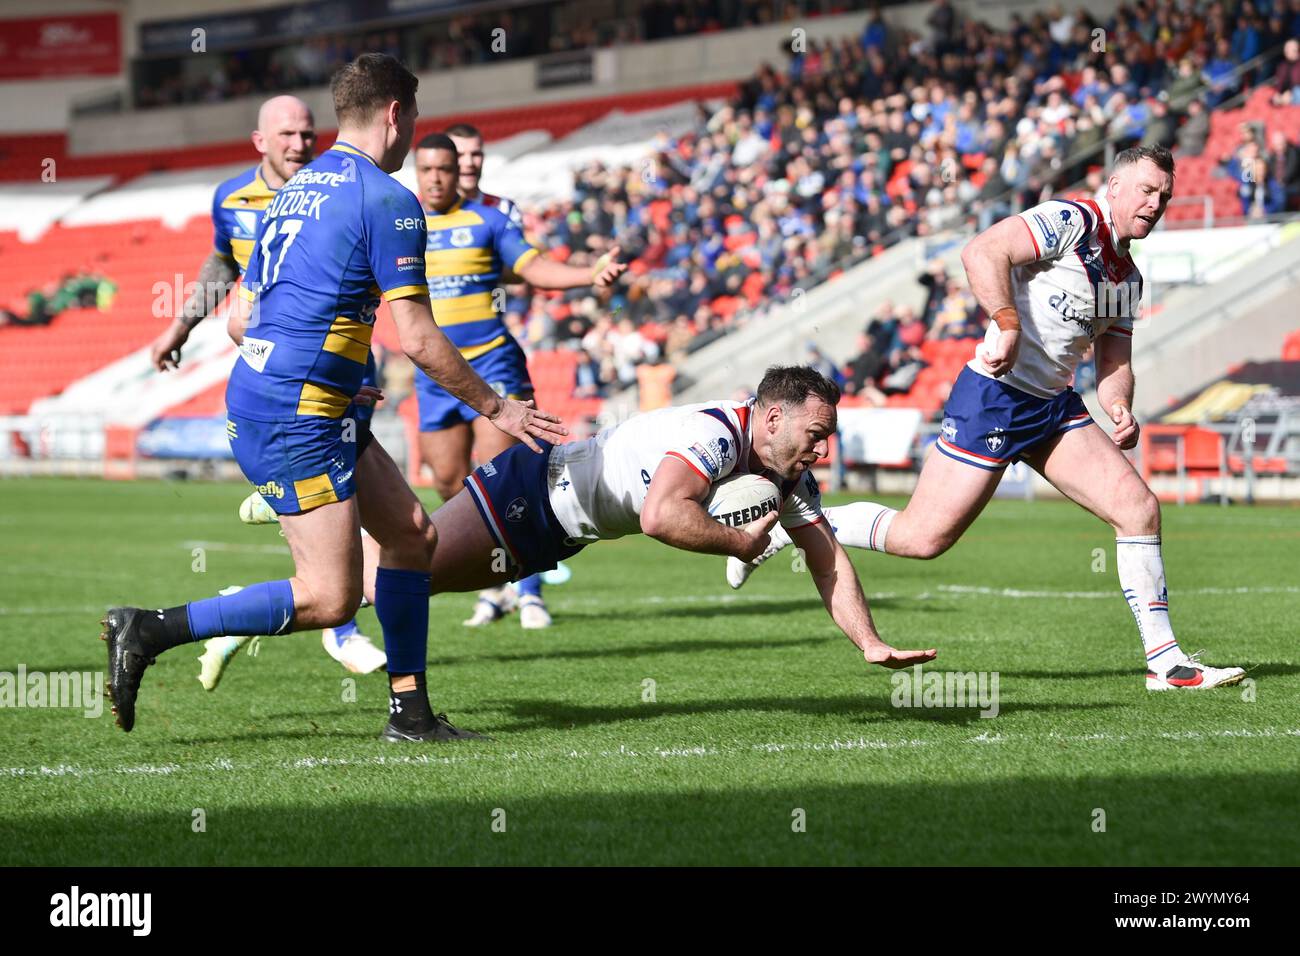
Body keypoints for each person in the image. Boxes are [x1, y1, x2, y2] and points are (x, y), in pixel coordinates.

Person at [101, 53, 565, 741]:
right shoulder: (388, 198)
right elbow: (416, 337)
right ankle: (150, 628)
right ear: (395, 114)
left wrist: (337, 370)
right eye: (414, 118)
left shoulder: (295, 190)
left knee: (411, 536)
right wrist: (501, 408)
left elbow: (248, 312)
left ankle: (410, 713)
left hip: (306, 401)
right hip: (299, 415)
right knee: (330, 596)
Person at [728, 146, 1246, 692]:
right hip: (995, 396)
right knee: (922, 539)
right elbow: (982, 251)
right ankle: (786, 530)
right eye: (1145, 190)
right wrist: (1006, 320)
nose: (1154, 203)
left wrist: (1119, 406)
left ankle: (1166, 665)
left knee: (1138, 509)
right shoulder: (1072, 220)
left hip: (1052, 406)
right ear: (1114, 186)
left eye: (1163, 195)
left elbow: (1115, 361)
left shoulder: (1127, 276)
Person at [376, 365, 936, 735]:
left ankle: (368, 653)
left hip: (560, 532)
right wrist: (740, 544)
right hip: (530, 493)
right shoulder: (717, 433)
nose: (822, 447)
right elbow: (661, 515)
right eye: (816, 432)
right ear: (772, 418)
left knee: (393, 583)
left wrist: (869, 642)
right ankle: (400, 704)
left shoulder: (787, 475)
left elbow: (826, 557)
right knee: (375, 582)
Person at [142, 95, 387, 678]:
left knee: (390, 541)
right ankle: (339, 625)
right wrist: (178, 327)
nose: (300, 143)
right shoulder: (231, 200)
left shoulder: (340, 188)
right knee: (381, 549)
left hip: (343, 369)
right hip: (284, 379)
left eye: (308, 132)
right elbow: (223, 271)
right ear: (260, 142)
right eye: (287, 134)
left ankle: (249, 600)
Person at [400, 131, 625, 630]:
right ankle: (498, 575)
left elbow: (533, 266)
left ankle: (529, 592)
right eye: (427, 170)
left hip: (491, 366)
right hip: (435, 374)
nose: (436, 178)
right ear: (417, 172)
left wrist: (590, 273)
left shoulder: (488, 219)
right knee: (445, 480)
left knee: (502, 478)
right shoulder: (400, 221)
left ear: (457, 169)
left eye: (445, 168)